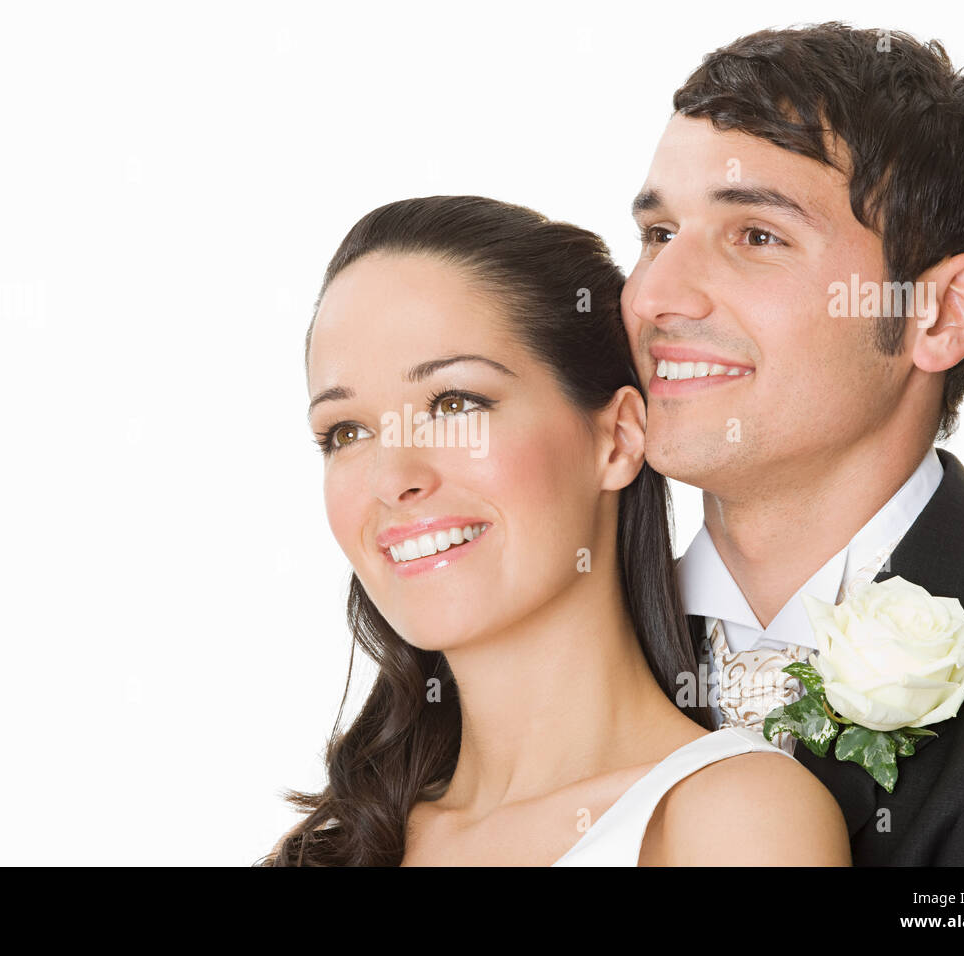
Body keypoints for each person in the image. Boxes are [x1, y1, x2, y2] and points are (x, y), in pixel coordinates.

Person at [261, 195, 849, 866]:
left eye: (455, 404)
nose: (393, 477)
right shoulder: (327, 850)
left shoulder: (733, 820)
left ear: (618, 437)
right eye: (347, 431)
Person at [623, 22, 964, 864]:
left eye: (757, 236)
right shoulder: (561, 646)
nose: (655, 296)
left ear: (942, 314)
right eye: (657, 236)